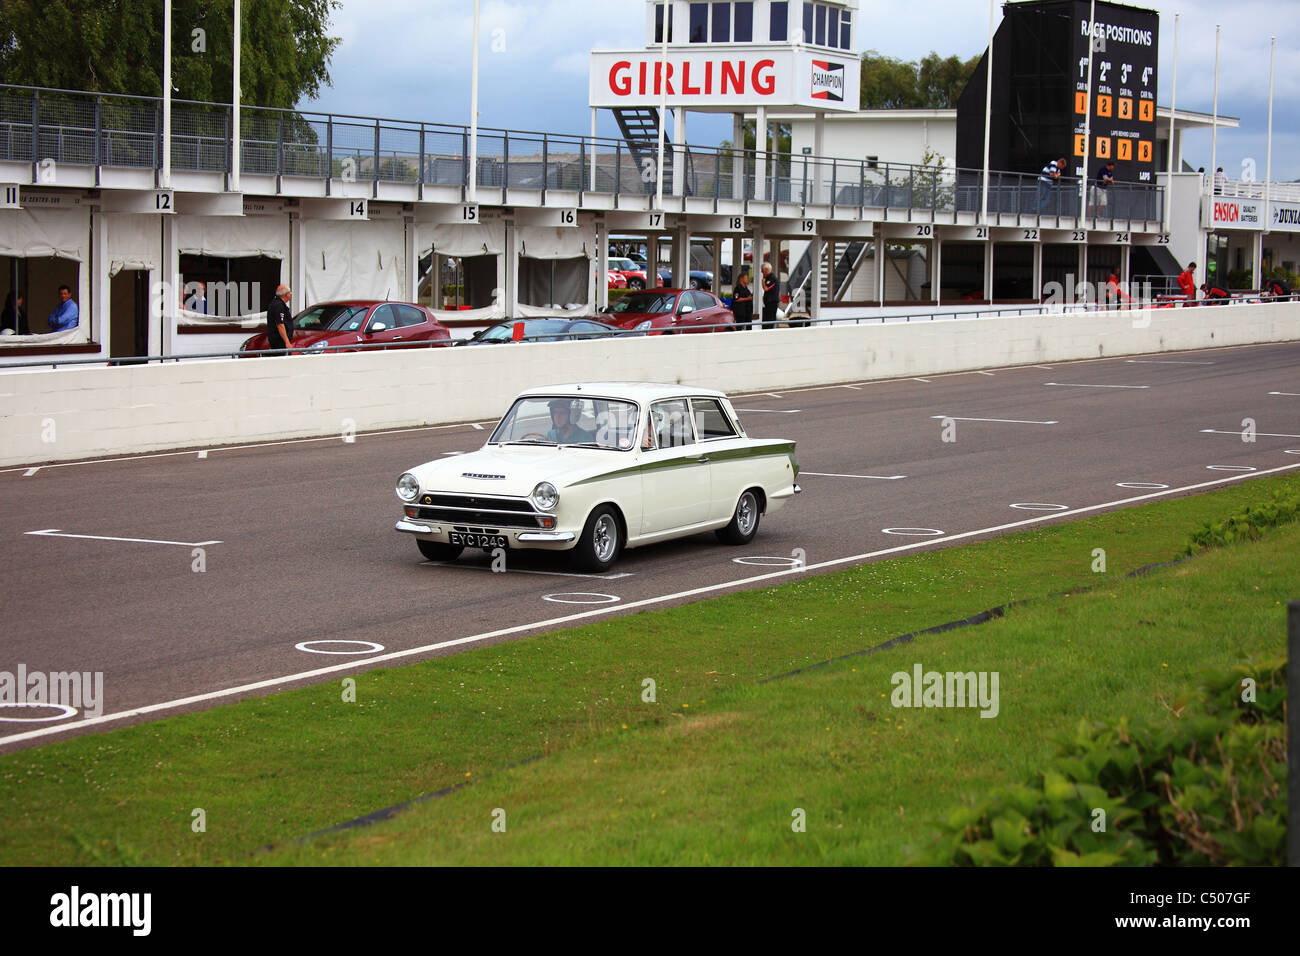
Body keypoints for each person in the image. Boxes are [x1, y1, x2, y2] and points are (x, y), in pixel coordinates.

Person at [265, 284, 294, 352]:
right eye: (290, 293)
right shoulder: (279, 306)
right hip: (280, 341)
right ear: (286, 294)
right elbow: (280, 324)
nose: (290, 295)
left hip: (276, 340)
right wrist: (287, 342)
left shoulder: (274, 303)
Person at [760, 262, 780, 327]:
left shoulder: (772, 278)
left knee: (769, 320)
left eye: (763, 271)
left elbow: (766, 289)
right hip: (768, 303)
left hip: (771, 302)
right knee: (766, 319)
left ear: (766, 270)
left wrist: (763, 282)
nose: (762, 273)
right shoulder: (768, 278)